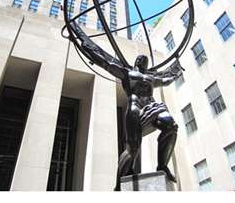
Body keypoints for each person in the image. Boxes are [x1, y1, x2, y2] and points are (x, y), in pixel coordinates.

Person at [69, 19, 182, 190]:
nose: (143, 61)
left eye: (145, 60)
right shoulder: (126, 73)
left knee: (171, 125)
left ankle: (162, 166)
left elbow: (166, 79)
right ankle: (118, 186)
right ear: (136, 63)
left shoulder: (151, 77)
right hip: (135, 110)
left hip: (153, 108)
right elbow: (104, 61)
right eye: (141, 60)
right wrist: (81, 42)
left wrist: (177, 67)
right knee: (133, 149)